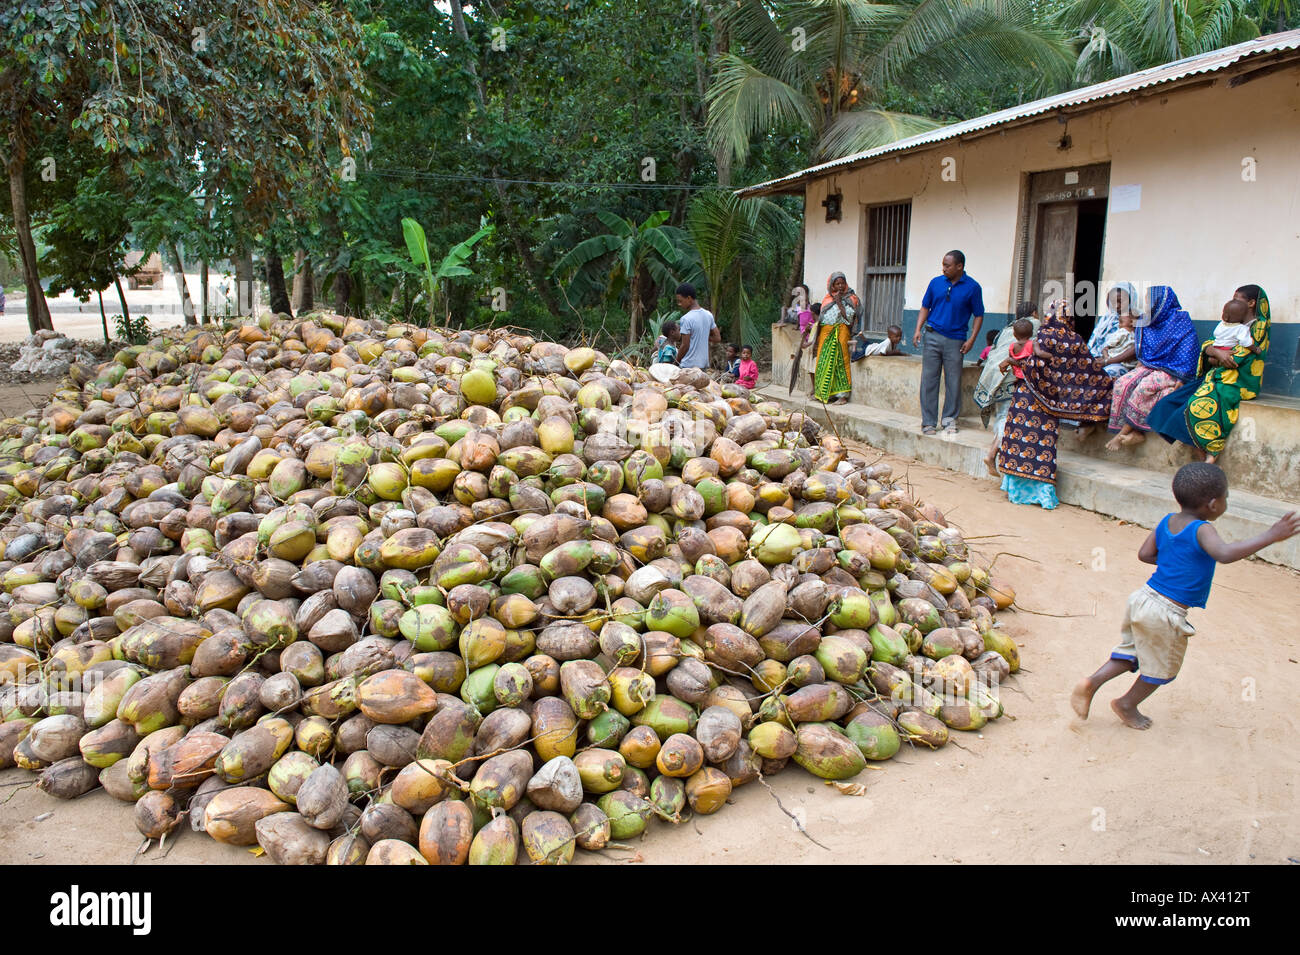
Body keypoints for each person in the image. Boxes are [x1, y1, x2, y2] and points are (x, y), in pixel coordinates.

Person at [1071, 462, 1300, 730]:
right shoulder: (1203, 529)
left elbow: (1144, 555)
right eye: (1226, 497)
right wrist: (1271, 535)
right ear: (1213, 504)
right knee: (1161, 668)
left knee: (1131, 652)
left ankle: (1091, 682)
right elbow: (1224, 554)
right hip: (1166, 611)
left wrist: (1174, 561)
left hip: (1143, 598)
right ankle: (1126, 704)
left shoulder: (1168, 521)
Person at [995, 299, 1112, 508]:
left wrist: (1012, 362)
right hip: (1050, 404)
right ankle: (1043, 494)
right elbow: (1086, 370)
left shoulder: (1042, 336)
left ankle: (1017, 491)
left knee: (1021, 440)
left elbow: (1032, 364)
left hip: (1025, 396)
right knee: (1041, 444)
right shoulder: (1075, 341)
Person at [1149, 285, 1270, 464]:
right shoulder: (1231, 320)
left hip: (1237, 381)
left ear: (1251, 303)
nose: (1232, 303)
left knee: (1192, 408)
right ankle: (1201, 459)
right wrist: (1217, 352)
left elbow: (1236, 358)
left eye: (1238, 300)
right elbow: (1210, 343)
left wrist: (1215, 355)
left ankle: (1209, 459)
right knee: (1169, 403)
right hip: (1215, 376)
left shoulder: (1258, 327)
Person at [1105, 285, 1201, 451]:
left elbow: (1188, 352)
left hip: (1173, 370)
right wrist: (1140, 365)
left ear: (1161, 302)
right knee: (1123, 383)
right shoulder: (1147, 320)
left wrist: (1182, 378)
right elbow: (1142, 349)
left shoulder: (1181, 320)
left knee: (1144, 387)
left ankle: (1122, 433)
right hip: (1150, 365)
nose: (1147, 304)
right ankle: (1136, 432)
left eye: (1150, 300)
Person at [913, 250, 984, 435]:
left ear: (959, 266)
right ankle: (928, 422)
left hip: (956, 340)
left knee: (953, 381)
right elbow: (925, 307)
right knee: (929, 380)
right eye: (943, 264)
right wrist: (917, 329)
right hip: (932, 336)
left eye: (947, 265)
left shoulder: (973, 287)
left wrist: (972, 339)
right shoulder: (935, 283)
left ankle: (949, 420)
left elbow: (978, 315)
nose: (943, 268)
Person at [975, 302, 1040, 470]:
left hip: (996, 376)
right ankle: (992, 454)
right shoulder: (1035, 324)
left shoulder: (1008, 329)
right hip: (1013, 380)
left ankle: (995, 451)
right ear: (1034, 313)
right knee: (1008, 418)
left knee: (1003, 416)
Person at [809, 272, 860, 404]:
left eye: (842, 283)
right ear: (832, 285)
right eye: (837, 283)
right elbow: (821, 320)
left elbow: (849, 319)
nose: (840, 286)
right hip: (826, 334)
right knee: (823, 362)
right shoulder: (827, 299)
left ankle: (842, 396)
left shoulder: (851, 299)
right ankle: (823, 393)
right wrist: (817, 338)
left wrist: (839, 302)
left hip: (841, 332)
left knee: (840, 362)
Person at [1087, 282, 1138, 360]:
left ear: (1131, 300)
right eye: (1113, 301)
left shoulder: (1137, 319)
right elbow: (1093, 342)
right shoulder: (1106, 319)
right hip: (1098, 357)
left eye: (1120, 301)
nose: (1116, 305)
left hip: (1121, 361)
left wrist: (1107, 360)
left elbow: (1136, 347)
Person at [675, 283, 719, 369]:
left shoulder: (686, 319)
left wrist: (676, 362)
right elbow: (717, 338)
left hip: (688, 366)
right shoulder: (708, 314)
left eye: (681, 301)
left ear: (689, 298)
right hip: (703, 366)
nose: (679, 304)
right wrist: (702, 336)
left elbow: (685, 345)